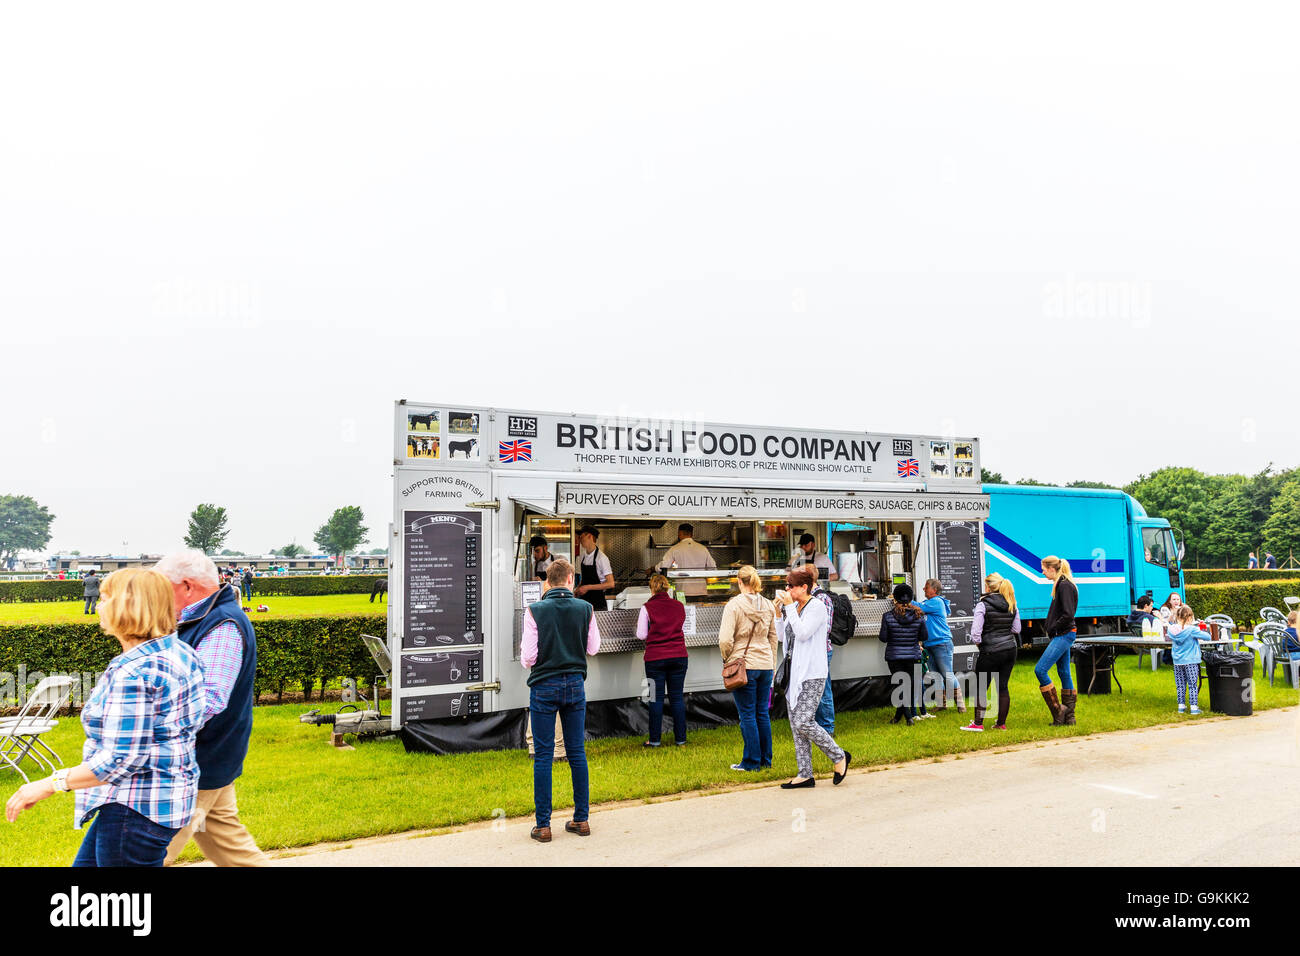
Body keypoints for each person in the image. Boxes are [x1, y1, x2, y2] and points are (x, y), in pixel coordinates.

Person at [5, 569, 206, 867]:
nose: (98, 606)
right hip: (156, 802)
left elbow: (121, 759)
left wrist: (50, 783)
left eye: (104, 598)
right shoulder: (179, 651)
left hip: (136, 810)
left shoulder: (135, 672)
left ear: (128, 605)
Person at [153, 550, 270, 866]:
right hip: (210, 759)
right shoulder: (202, 619)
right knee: (232, 851)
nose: (157, 597)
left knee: (146, 856)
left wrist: (152, 735)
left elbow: (209, 701)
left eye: (163, 587)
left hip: (195, 764)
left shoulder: (221, 624)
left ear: (187, 587)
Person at [520, 559, 601, 842]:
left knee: (543, 755)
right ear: (569, 580)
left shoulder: (534, 611)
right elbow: (593, 648)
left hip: (543, 686)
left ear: (548, 582)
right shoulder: (586, 608)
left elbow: (528, 657)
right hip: (575, 685)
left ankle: (543, 825)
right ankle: (581, 819)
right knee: (577, 753)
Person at [774, 566, 850, 788]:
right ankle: (805, 773)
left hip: (812, 672)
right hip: (793, 673)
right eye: (787, 585)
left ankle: (839, 756)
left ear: (804, 587)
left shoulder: (817, 606)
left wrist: (788, 607)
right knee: (795, 725)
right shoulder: (794, 606)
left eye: (791, 586)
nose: (787, 589)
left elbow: (803, 633)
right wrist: (780, 614)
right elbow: (783, 636)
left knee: (803, 720)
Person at [718, 566, 779, 771]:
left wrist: (728, 659)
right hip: (765, 664)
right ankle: (765, 759)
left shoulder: (734, 605)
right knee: (762, 713)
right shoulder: (769, 605)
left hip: (743, 664)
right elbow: (773, 637)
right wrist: (771, 662)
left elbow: (725, 639)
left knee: (747, 715)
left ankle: (751, 762)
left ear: (739, 581)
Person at [961, 574, 1021, 731]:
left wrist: (981, 645)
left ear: (988, 587)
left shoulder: (983, 605)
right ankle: (1001, 724)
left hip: (989, 651)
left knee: (981, 687)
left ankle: (978, 724)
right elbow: (1017, 629)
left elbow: (975, 633)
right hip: (1010, 649)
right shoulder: (1012, 603)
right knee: (1002, 687)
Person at [634, 574, 688, 747]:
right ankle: (680, 738)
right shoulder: (679, 606)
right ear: (667, 588)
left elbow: (641, 634)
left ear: (652, 588)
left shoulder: (647, 607)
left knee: (655, 698)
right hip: (679, 657)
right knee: (677, 698)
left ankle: (655, 740)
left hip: (655, 660)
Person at [1036, 555, 1078, 727]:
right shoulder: (1062, 584)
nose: (1043, 572)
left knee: (1040, 670)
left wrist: (1053, 628)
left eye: (1044, 569)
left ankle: (1059, 710)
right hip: (1063, 633)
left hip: (1063, 634)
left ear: (1052, 569)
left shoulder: (1064, 585)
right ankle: (1069, 718)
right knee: (1064, 673)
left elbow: (1068, 614)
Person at [914, 578, 964, 713]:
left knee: (947, 673)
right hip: (931, 644)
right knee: (936, 674)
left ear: (934, 590)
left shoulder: (936, 602)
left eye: (926, 587)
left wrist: (904, 600)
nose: (924, 589)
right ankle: (941, 703)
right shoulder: (930, 602)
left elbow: (919, 607)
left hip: (941, 643)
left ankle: (960, 704)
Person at [879, 583, 926, 725]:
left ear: (895, 599)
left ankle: (908, 718)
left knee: (900, 687)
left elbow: (883, 638)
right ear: (910, 599)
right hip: (913, 655)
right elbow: (924, 636)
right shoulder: (919, 615)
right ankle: (898, 717)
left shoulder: (887, 616)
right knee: (909, 686)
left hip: (894, 656)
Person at [808, 575, 837, 734]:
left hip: (822, 651)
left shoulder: (822, 598)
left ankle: (827, 727)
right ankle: (819, 725)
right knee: (817, 689)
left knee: (823, 690)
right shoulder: (810, 599)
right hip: (814, 651)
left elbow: (825, 629)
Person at [1168, 605, 1204, 715]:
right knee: (1192, 684)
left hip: (1178, 661)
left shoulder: (1171, 630)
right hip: (1191, 660)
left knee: (1180, 685)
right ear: (1190, 617)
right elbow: (1207, 636)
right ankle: (1194, 707)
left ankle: (1181, 706)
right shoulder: (1192, 630)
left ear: (1178, 617)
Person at [574, 526, 615, 611]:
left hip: (598, 604)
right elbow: (584, 578)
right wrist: (578, 588)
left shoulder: (601, 558)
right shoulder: (583, 556)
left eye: (581, 537)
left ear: (589, 536)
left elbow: (611, 583)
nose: (579, 540)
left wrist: (587, 587)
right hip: (584, 602)